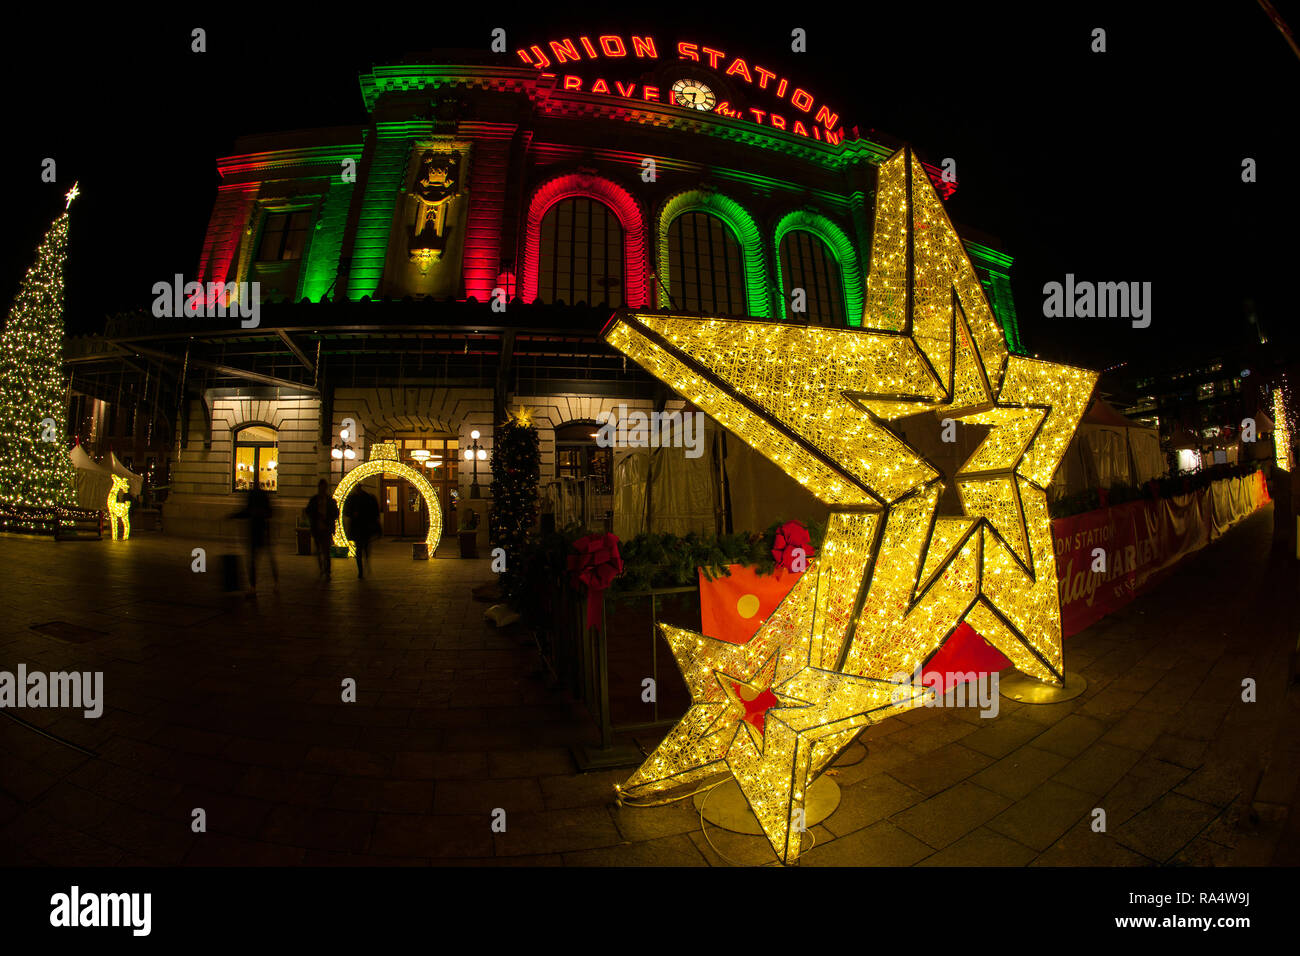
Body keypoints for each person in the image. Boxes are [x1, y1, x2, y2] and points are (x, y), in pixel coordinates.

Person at [234, 483, 278, 595]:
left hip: (256, 532)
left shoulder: (253, 498)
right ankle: (274, 583)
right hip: (262, 532)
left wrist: (233, 516)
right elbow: (270, 512)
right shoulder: (263, 498)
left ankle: (253, 587)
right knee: (267, 559)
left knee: (254, 561)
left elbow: (246, 512)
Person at [304, 479, 340, 579]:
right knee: (319, 551)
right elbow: (308, 510)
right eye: (321, 487)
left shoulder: (330, 500)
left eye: (324, 487)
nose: (322, 489)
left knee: (326, 551)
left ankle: (327, 571)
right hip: (317, 528)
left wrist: (328, 517)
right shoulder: (314, 500)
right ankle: (321, 567)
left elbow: (336, 513)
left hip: (326, 529)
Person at [343, 485, 381, 578]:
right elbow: (347, 511)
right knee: (360, 549)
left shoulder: (363, 498)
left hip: (363, 528)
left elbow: (373, 512)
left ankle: (364, 565)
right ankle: (362, 569)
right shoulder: (360, 498)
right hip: (361, 528)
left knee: (362, 549)